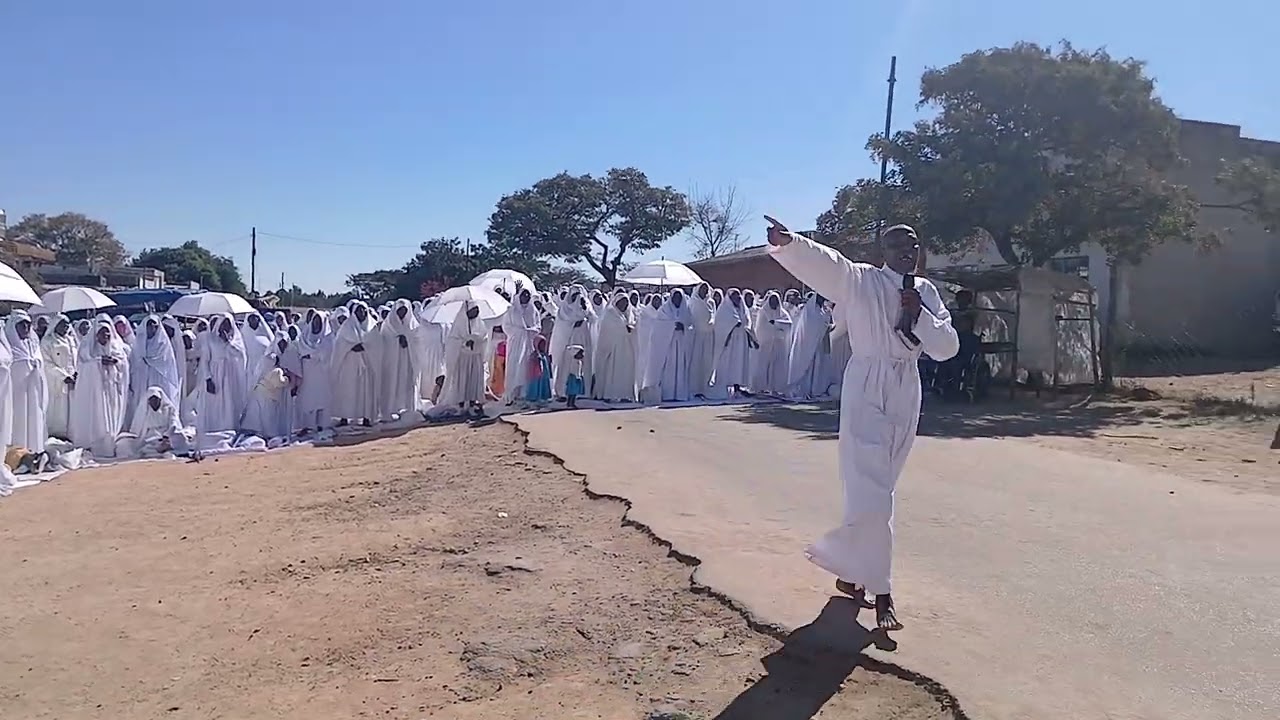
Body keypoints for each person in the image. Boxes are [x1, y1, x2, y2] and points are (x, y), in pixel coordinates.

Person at [765, 218, 958, 631]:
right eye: (895, 246)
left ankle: (851, 572)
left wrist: (918, 314)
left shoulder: (925, 292)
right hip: (867, 385)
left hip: (906, 387)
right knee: (873, 491)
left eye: (912, 245)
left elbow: (945, 347)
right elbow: (828, 263)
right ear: (881, 252)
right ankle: (882, 591)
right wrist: (792, 243)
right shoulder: (861, 281)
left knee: (877, 487)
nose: (905, 252)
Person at [70, 320, 129, 457]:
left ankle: (110, 444)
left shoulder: (116, 347)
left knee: (111, 417)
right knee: (97, 417)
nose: (106, 336)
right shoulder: (87, 349)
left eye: (108, 333)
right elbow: (82, 367)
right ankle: (94, 446)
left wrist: (116, 363)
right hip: (95, 391)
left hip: (111, 390)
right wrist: (98, 363)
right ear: (96, 335)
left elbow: (124, 364)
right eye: (102, 333)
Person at [197, 313, 250, 437]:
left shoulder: (236, 339)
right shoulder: (209, 339)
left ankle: (229, 428)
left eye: (228, 324)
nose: (225, 327)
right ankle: (213, 430)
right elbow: (205, 361)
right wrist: (208, 379)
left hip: (231, 376)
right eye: (223, 324)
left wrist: (228, 342)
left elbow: (241, 356)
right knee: (215, 403)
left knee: (229, 403)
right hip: (215, 375)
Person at [640, 288, 695, 403]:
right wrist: (672, 326)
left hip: (681, 343)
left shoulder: (686, 310)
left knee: (681, 367)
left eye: (679, 297)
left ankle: (680, 394)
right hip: (668, 345)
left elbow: (691, 326)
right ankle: (668, 394)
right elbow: (658, 327)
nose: (677, 300)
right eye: (675, 297)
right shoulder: (664, 310)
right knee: (669, 368)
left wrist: (683, 327)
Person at [330, 302, 379, 427]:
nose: (361, 313)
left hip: (367, 365)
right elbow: (339, 346)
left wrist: (365, 347)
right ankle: (344, 417)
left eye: (363, 311)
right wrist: (351, 347)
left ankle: (366, 418)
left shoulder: (372, 328)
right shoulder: (346, 328)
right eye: (358, 311)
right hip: (349, 365)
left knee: (365, 392)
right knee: (348, 391)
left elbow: (378, 346)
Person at [6, 311, 48, 453]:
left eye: (28, 324)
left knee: (34, 421)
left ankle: (34, 450)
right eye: (21, 324)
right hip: (16, 396)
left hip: (34, 394)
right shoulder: (8, 348)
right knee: (18, 423)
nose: (25, 328)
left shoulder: (34, 346)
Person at [128, 315, 181, 428]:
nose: (152, 328)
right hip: (142, 381)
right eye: (149, 325)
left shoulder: (164, 346)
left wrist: (150, 362)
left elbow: (168, 366)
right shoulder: (137, 346)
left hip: (159, 380)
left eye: (154, 325)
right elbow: (133, 364)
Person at [438, 301, 489, 416]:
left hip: (475, 356)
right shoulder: (459, 324)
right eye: (472, 310)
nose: (475, 312)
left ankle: (472, 404)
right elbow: (452, 340)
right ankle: (461, 405)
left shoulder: (480, 324)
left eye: (477, 310)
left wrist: (476, 340)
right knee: (462, 381)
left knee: (473, 381)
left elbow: (484, 338)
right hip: (462, 357)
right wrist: (464, 341)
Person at [379, 298, 422, 420]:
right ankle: (390, 410)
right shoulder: (388, 326)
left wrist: (408, 341)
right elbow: (385, 342)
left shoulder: (414, 326)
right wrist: (397, 340)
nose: (402, 313)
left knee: (408, 382)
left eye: (404, 310)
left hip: (409, 361)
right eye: (400, 310)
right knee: (393, 383)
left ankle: (409, 409)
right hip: (393, 362)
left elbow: (418, 341)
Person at [592, 294, 638, 403]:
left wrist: (631, 328)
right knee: (612, 373)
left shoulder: (628, 315)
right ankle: (609, 394)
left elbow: (633, 328)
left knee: (625, 372)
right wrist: (625, 328)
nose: (624, 305)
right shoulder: (610, 315)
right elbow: (609, 331)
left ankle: (625, 395)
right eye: (621, 302)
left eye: (626, 303)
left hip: (626, 349)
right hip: (613, 350)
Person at [500, 288, 542, 404]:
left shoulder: (533, 311)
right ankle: (511, 394)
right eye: (524, 295)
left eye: (528, 295)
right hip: (515, 343)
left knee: (526, 369)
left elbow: (538, 327)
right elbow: (506, 326)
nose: (526, 297)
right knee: (514, 367)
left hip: (528, 344)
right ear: (519, 296)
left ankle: (524, 395)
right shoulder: (511, 311)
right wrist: (519, 331)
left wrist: (529, 331)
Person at [710, 288, 753, 399]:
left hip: (741, 340)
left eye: (738, 296)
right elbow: (720, 324)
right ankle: (723, 387)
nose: (737, 298)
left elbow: (748, 321)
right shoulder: (724, 309)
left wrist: (745, 327)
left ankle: (737, 387)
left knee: (739, 364)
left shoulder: (743, 309)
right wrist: (733, 324)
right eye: (734, 296)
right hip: (729, 340)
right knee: (727, 363)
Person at [296, 312, 334, 433]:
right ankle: (307, 425)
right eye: (315, 320)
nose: (317, 323)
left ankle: (321, 424)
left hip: (322, 373)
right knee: (308, 399)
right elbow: (301, 349)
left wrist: (310, 354)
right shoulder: (305, 335)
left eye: (319, 321)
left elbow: (326, 352)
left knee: (321, 399)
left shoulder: (328, 337)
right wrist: (313, 354)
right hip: (308, 372)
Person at [41, 314, 77, 440]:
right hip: (56, 381)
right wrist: (63, 376)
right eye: (63, 324)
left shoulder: (71, 340)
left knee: (72, 409)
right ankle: (57, 435)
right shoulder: (48, 341)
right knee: (58, 409)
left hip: (72, 380)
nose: (66, 327)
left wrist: (76, 373)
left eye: (67, 324)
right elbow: (47, 363)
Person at [129, 386, 191, 457]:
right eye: (151, 400)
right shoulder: (145, 412)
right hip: (152, 437)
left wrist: (166, 436)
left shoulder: (169, 409)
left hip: (168, 436)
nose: (154, 402)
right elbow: (139, 429)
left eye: (156, 399)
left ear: (160, 400)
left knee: (181, 437)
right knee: (144, 447)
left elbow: (173, 423)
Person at [752, 290, 793, 395]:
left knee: (777, 367)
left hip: (778, 344)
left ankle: (775, 388)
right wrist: (776, 328)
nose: (774, 303)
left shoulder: (783, 313)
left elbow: (789, 324)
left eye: (776, 300)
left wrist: (776, 323)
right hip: (765, 344)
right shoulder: (763, 312)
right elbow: (762, 328)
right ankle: (760, 388)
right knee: (763, 366)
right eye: (772, 300)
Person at [688, 283, 716, 399]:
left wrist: (712, 322)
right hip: (696, 336)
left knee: (707, 361)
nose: (704, 292)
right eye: (702, 289)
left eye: (706, 289)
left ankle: (705, 387)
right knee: (696, 362)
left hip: (709, 335)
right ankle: (694, 388)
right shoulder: (693, 302)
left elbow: (714, 315)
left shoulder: (711, 302)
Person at [525, 334, 553, 404]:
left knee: (543, 386)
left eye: (544, 345)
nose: (543, 347)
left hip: (544, 374)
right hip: (536, 374)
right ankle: (534, 398)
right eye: (541, 345)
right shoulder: (534, 355)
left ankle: (543, 397)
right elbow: (532, 365)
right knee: (536, 386)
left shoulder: (544, 355)